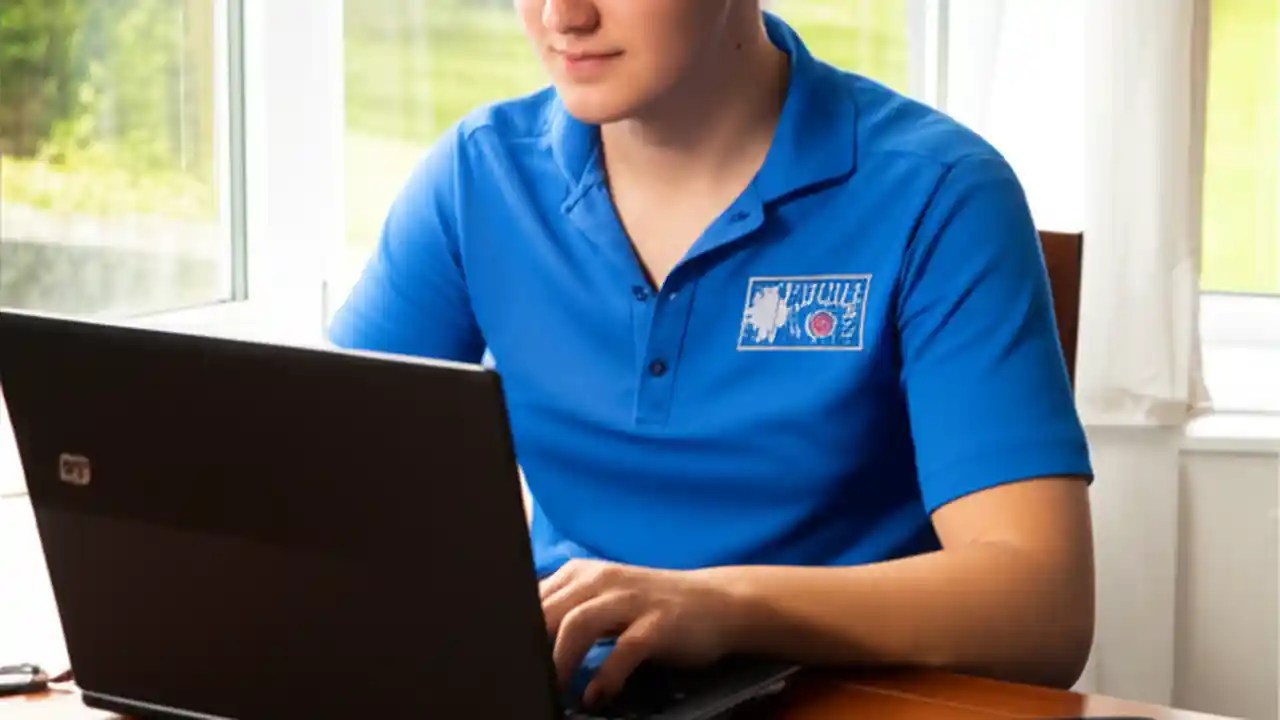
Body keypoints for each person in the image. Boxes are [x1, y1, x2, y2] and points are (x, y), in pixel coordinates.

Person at [330, 0, 1095, 710]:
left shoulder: (940, 194)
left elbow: (1042, 606)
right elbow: (317, 481)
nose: (564, 15)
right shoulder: (478, 175)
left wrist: (723, 606)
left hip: (838, 699)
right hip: (565, 689)